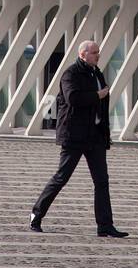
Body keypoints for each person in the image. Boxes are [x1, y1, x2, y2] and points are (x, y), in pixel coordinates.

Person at [29, 40, 129, 238]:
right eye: (93, 52)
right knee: (61, 177)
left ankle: (105, 225)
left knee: (102, 181)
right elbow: (73, 98)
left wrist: (105, 134)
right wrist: (97, 95)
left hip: (95, 136)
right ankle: (36, 214)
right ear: (83, 54)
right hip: (74, 135)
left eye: (98, 52)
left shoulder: (96, 73)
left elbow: (101, 106)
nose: (97, 55)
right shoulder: (71, 74)